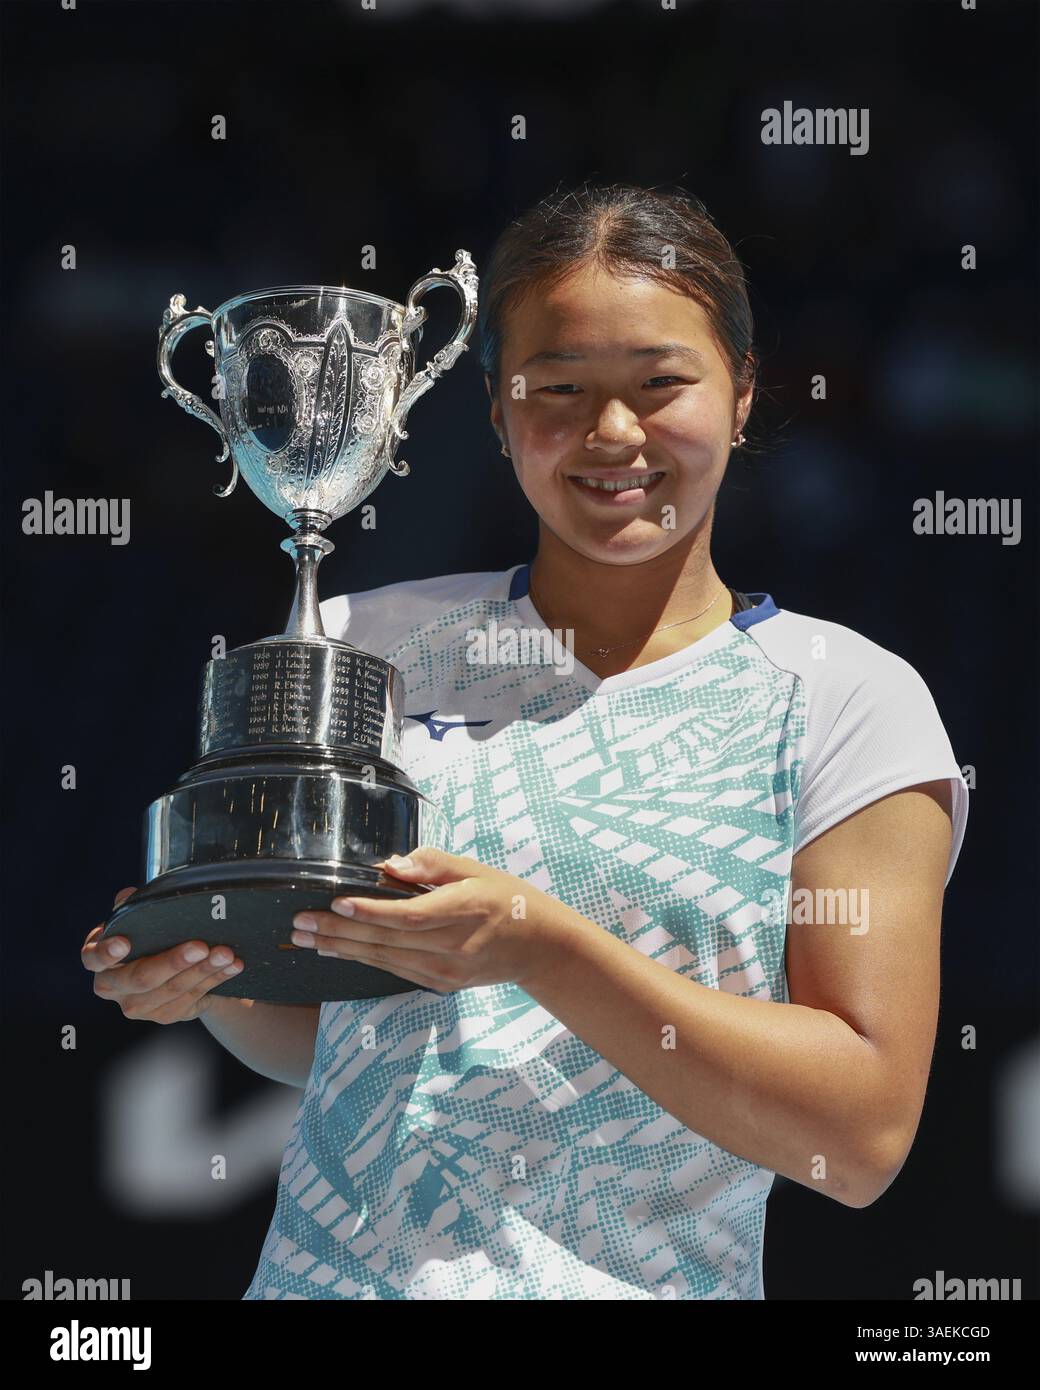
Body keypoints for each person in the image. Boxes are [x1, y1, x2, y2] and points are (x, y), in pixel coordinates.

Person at [82, 181, 968, 1300]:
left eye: (660, 384)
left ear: (740, 396)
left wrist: (540, 947)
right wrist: (211, 980)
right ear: (496, 413)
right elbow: (360, 1045)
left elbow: (856, 1140)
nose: (610, 433)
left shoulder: (846, 697)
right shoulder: (365, 643)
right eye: (557, 389)